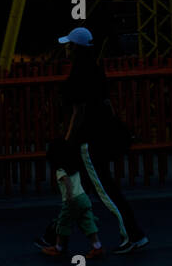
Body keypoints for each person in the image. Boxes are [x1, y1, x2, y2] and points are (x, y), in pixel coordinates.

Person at [57, 26, 148, 254]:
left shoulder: (78, 74)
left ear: (75, 48)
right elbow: (106, 104)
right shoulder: (97, 70)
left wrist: (68, 142)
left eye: (69, 45)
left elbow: (78, 112)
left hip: (88, 141)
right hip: (100, 136)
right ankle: (54, 237)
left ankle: (132, 236)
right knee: (85, 189)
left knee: (104, 192)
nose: (66, 48)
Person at [34, 137, 105, 261]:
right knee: (87, 222)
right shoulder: (75, 166)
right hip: (83, 198)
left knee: (63, 224)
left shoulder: (60, 169)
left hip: (73, 200)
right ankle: (97, 246)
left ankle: (58, 248)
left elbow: (66, 181)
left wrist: (69, 195)